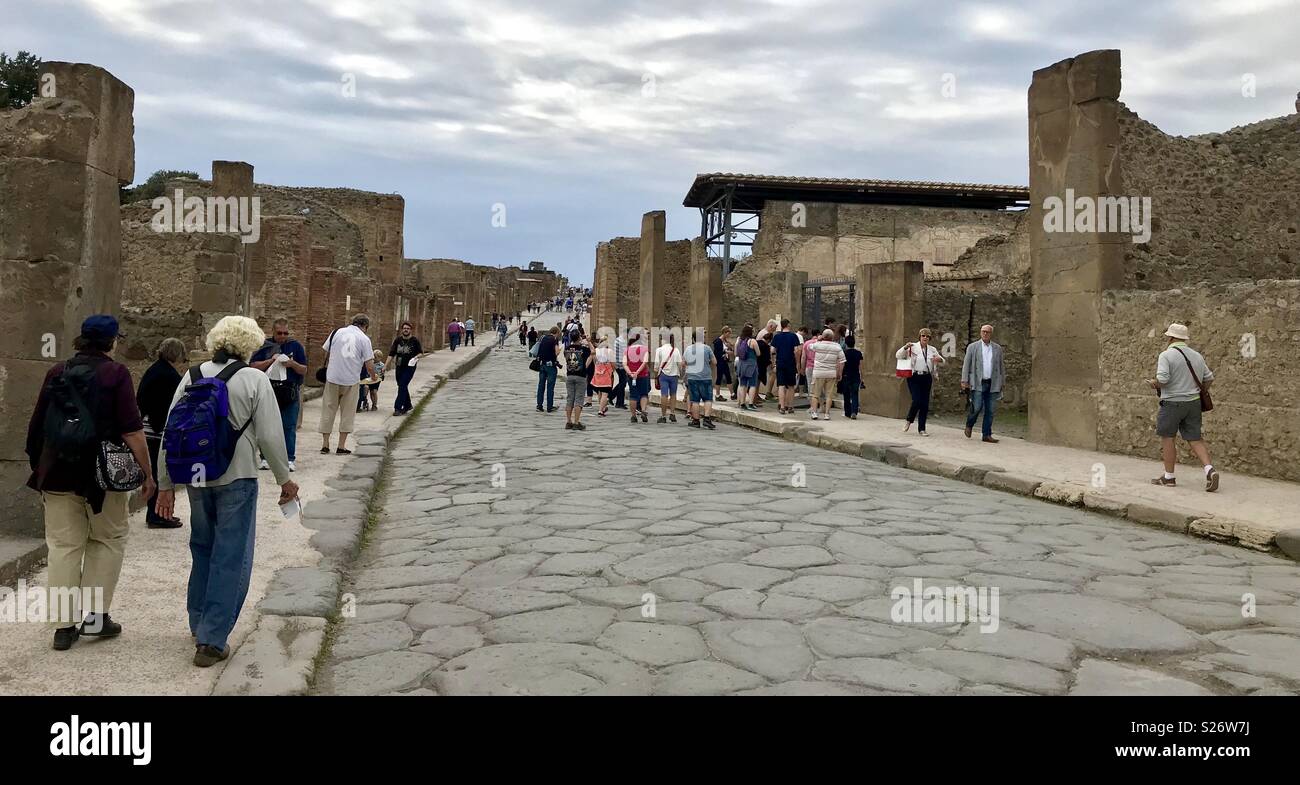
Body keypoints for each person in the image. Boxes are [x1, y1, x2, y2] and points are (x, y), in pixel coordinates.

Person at [156, 315, 299, 668]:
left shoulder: (190, 376)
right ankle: (211, 640)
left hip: (196, 478)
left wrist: (164, 484)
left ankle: (198, 620)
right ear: (250, 344)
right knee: (230, 556)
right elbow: (270, 435)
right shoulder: (253, 378)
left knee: (202, 548)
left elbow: (170, 432)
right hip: (237, 477)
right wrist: (285, 480)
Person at [26, 315, 155, 651]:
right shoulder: (116, 374)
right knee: (107, 540)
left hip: (57, 473)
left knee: (63, 547)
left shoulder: (57, 372)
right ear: (112, 342)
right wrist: (147, 473)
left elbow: (37, 426)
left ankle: (63, 628)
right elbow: (131, 429)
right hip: (102, 475)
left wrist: (40, 469)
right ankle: (96, 619)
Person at [1146, 323, 1219, 491]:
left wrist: (1153, 384)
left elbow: (1163, 379)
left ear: (1170, 338)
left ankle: (1169, 477)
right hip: (1193, 403)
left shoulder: (1166, 355)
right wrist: (1200, 391)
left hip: (1172, 403)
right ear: (1184, 339)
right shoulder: (1197, 356)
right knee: (1195, 438)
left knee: (1168, 437)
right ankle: (1210, 470)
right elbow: (1209, 378)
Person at [136, 337, 189, 528]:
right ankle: (157, 515)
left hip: (148, 428)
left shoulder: (155, 370)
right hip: (157, 431)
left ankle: (158, 513)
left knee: (157, 474)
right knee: (160, 474)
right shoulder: (168, 376)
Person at [250, 319, 308, 471]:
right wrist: (271, 360)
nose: (283, 336)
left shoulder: (295, 346)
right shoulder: (265, 346)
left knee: (288, 426)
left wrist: (292, 364)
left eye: (286, 333)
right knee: (266, 427)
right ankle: (265, 458)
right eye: (279, 333)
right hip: (269, 391)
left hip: (290, 391)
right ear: (273, 332)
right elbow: (253, 366)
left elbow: (304, 369)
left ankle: (289, 458)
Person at [319, 313, 379, 455]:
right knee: (347, 413)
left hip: (332, 377)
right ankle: (341, 446)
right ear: (365, 326)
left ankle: (325, 444)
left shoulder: (337, 332)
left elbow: (326, 352)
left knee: (328, 410)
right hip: (351, 380)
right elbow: (369, 365)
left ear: (352, 322)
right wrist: (373, 377)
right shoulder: (364, 339)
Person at [961, 323, 1004, 443]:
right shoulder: (973, 347)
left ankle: (986, 434)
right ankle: (969, 424)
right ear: (980, 333)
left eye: (987, 332)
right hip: (978, 382)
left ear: (991, 334)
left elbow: (1001, 367)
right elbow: (966, 364)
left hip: (993, 382)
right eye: (983, 331)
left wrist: (1002, 382)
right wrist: (964, 380)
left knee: (990, 410)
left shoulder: (997, 348)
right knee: (977, 407)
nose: (985, 333)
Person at [897, 327, 944, 435]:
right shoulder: (913, 347)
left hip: (926, 377)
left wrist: (939, 359)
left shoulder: (932, 349)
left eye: (927, 336)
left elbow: (942, 360)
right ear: (920, 337)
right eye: (923, 335)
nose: (925, 338)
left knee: (924, 403)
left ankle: (922, 428)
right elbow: (898, 355)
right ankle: (909, 420)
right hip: (914, 376)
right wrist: (905, 347)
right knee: (917, 400)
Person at [808, 329, 845, 420]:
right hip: (831, 373)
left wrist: (818, 339)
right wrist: (839, 372)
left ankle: (814, 413)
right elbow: (842, 360)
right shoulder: (837, 346)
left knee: (815, 394)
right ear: (832, 337)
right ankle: (827, 414)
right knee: (829, 395)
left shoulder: (818, 345)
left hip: (818, 373)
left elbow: (809, 346)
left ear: (823, 336)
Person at [388, 321, 423, 416]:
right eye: (404, 328)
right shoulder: (398, 340)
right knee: (401, 386)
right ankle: (408, 405)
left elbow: (420, 352)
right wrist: (385, 366)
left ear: (410, 330)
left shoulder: (414, 340)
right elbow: (391, 354)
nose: (406, 330)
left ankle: (397, 408)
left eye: (407, 328)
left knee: (403, 385)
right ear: (402, 330)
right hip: (399, 366)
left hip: (410, 367)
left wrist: (416, 357)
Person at [684, 329, 717, 429]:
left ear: (693, 339)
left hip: (692, 378)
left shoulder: (688, 349)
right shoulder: (707, 348)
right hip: (705, 377)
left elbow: (683, 363)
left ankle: (696, 420)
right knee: (707, 399)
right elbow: (714, 362)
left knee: (695, 401)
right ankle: (707, 419)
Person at [562, 331, 593, 431]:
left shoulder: (566, 349)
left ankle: (568, 421)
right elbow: (593, 352)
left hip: (570, 375)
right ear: (579, 338)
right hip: (580, 376)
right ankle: (576, 422)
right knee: (579, 399)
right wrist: (589, 342)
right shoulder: (583, 349)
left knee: (570, 398)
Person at [770, 319, 801, 414]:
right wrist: (797, 362)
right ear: (788, 325)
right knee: (791, 386)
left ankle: (782, 407)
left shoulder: (777, 337)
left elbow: (772, 350)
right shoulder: (793, 336)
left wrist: (773, 362)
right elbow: (796, 350)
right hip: (790, 363)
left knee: (781, 385)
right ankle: (790, 406)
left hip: (780, 363)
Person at [654, 332, 683, 423]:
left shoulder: (659, 350)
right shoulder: (676, 350)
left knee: (664, 395)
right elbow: (680, 364)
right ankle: (672, 414)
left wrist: (656, 376)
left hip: (663, 375)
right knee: (673, 394)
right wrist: (680, 373)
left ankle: (663, 415)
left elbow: (656, 366)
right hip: (674, 375)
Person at [624, 330, 651, 423]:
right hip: (643, 375)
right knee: (644, 394)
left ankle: (633, 415)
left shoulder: (627, 350)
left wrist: (631, 373)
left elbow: (624, 364)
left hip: (631, 376)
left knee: (633, 395)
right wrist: (638, 372)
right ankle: (643, 410)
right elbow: (645, 362)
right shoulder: (644, 349)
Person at [735, 324, 760, 411]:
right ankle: (750, 403)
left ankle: (742, 403)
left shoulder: (739, 340)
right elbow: (758, 353)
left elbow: (736, 353)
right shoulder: (752, 341)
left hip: (741, 364)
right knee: (753, 384)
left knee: (742, 385)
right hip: (751, 364)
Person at [535, 325, 560, 413]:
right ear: (557, 333)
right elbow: (556, 352)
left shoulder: (543, 338)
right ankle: (549, 407)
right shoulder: (554, 340)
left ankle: (539, 405)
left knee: (541, 386)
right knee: (550, 387)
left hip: (542, 365)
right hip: (551, 366)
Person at [592, 337, 616, 416]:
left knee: (600, 392)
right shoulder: (609, 351)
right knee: (605, 393)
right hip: (606, 374)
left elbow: (594, 361)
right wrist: (613, 370)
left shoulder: (596, 351)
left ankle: (602, 406)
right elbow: (613, 364)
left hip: (598, 374)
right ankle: (600, 410)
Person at [841, 335, 864, 419]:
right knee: (855, 393)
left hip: (846, 375)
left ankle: (847, 412)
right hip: (855, 375)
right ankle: (854, 411)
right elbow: (860, 366)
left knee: (846, 394)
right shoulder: (858, 353)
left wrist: (839, 374)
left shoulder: (844, 353)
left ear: (846, 343)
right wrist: (862, 376)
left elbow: (842, 365)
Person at [712, 326, 733, 402]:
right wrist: (726, 352)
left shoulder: (725, 341)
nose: (729, 335)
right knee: (719, 377)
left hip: (724, 361)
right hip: (720, 361)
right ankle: (717, 394)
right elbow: (717, 353)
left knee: (728, 376)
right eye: (728, 333)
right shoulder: (718, 341)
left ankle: (732, 393)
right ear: (725, 333)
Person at [612, 331, 629, 409]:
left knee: (622, 382)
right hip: (620, 365)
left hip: (623, 364)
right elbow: (616, 353)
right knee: (623, 383)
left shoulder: (623, 341)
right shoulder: (619, 341)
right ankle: (618, 402)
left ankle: (618, 401)